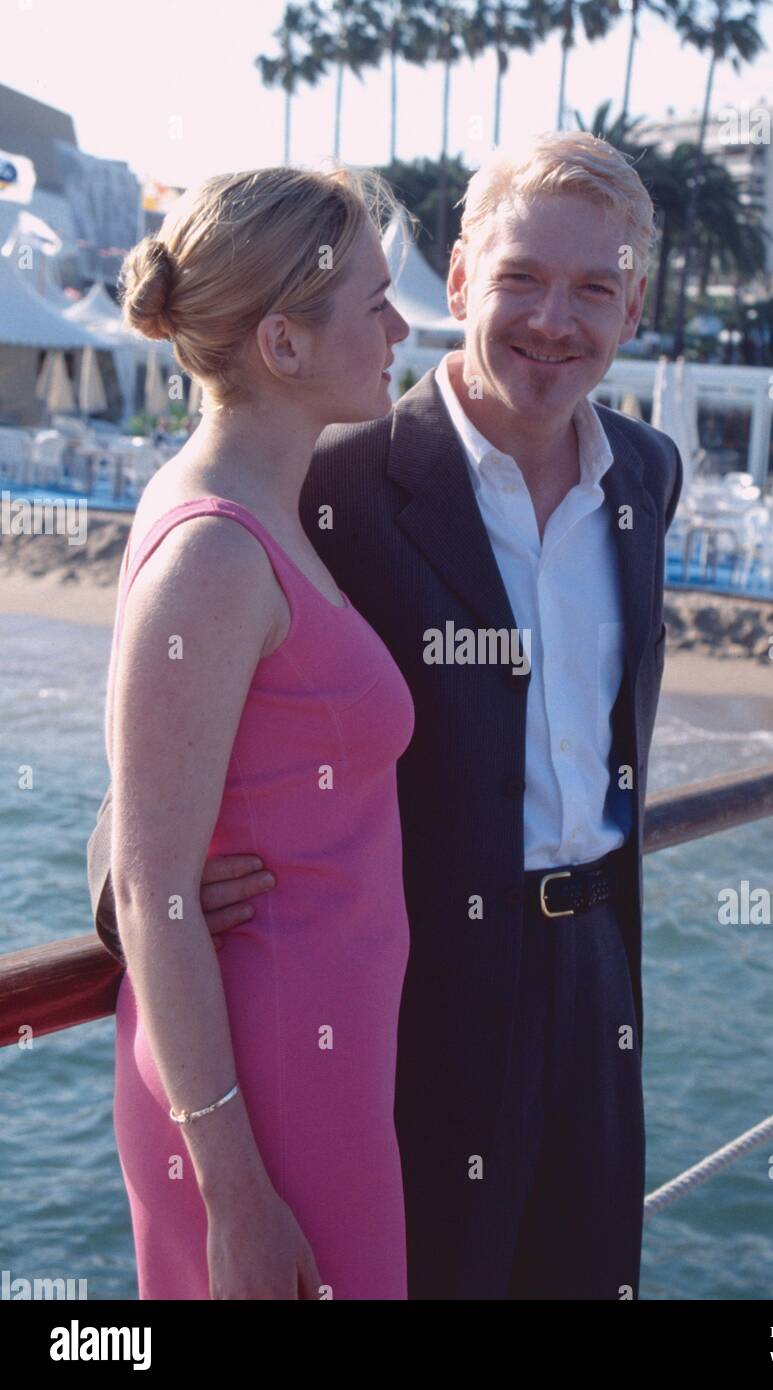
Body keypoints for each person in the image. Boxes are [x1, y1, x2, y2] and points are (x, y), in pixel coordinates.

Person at [90, 131, 683, 1300]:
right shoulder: (332, 480)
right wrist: (130, 883)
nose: (553, 321)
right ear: (458, 279)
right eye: (520, 279)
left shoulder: (648, 477)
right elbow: (171, 710)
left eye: (594, 289)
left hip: (599, 981)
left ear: (634, 305)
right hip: (423, 1004)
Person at [100, 165, 413, 1299]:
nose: (402, 323)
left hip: (312, 1069)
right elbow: (151, 888)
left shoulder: (261, 509)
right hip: (263, 1095)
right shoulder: (217, 553)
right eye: (374, 300)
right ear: (281, 344)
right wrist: (235, 1194)